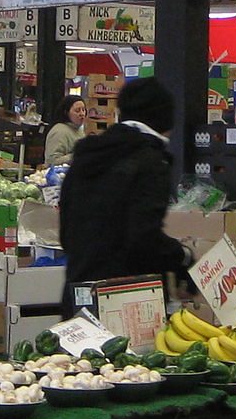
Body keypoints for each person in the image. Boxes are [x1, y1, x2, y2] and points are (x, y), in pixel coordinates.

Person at [58, 77, 189, 290]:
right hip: (126, 297)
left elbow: (66, 235)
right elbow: (143, 238)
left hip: (79, 288)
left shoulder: (86, 155)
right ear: (163, 119)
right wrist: (181, 256)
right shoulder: (150, 161)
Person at [44, 98, 87, 167]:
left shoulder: (79, 130)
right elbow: (52, 161)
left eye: (83, 110)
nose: (82, 114)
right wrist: (77, 155)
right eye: (77, 111)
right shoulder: (59, 132)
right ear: (66, 112)